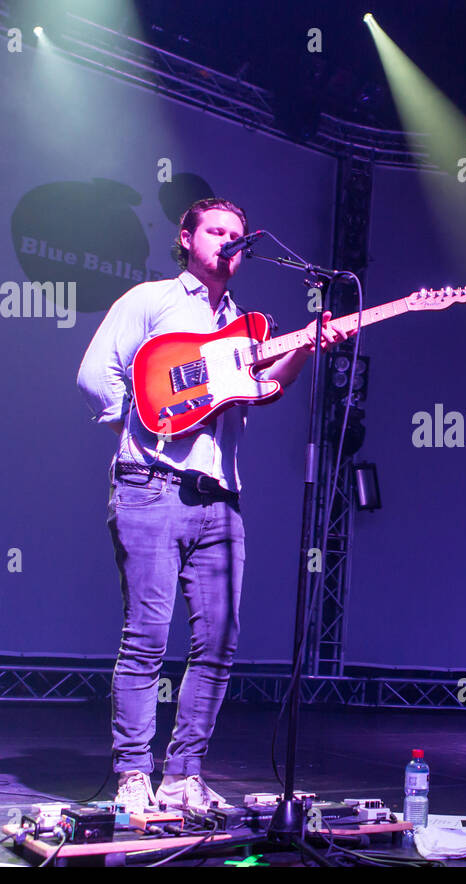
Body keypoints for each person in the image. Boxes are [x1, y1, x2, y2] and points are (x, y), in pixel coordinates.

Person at [76, 198, 349, 814]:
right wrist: (148, 414)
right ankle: (131, 775)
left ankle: (184, 774)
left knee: (220, 640)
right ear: (187, 237)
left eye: (237, 234)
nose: (228, 241)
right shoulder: (150, 302)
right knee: (146, 638)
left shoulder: (247, 326)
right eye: (216, 231)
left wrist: (309, 344)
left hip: (221, 497)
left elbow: (264, 387)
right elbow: (95, 373)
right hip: (149, 483)